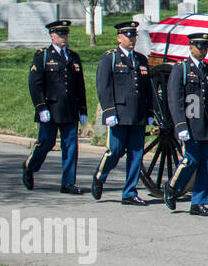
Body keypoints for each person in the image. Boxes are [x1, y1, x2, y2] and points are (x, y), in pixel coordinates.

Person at [92, 20, 155, 205]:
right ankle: (100, 176)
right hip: (119, 113)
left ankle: (129, 192)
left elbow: (147, 89)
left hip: (137, 114)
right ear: (119, 37)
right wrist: (109, 111)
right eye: (128, 35)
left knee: (136, 153)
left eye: (134, 35)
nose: (132, 39)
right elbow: (103, 87)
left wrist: (149, 111)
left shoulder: (141, 60)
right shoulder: (110, 58)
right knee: (116, 150)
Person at [23, 19, 89, 194]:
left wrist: (83, 109)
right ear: (52, 36)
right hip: (50, 109)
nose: (63, 37)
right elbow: (35, 84)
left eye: (65, 33)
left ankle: (68, 183)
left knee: (71, 146)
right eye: (60, 34)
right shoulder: (43, 55)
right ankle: (30, 166)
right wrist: (40, 107)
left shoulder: (73, 57)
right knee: (46, 142)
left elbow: (79, 85)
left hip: (69, 109)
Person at [165, 32, 208, 216]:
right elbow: (175, 99)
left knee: (207, 165)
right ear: (190, 47)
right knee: (191, 160)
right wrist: (180, 125)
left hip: (207, 125)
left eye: (206, 47)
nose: (203, 50)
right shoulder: (181, 69)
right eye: (200, 47)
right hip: (190, 123)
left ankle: (198, 203)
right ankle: (173, 188)